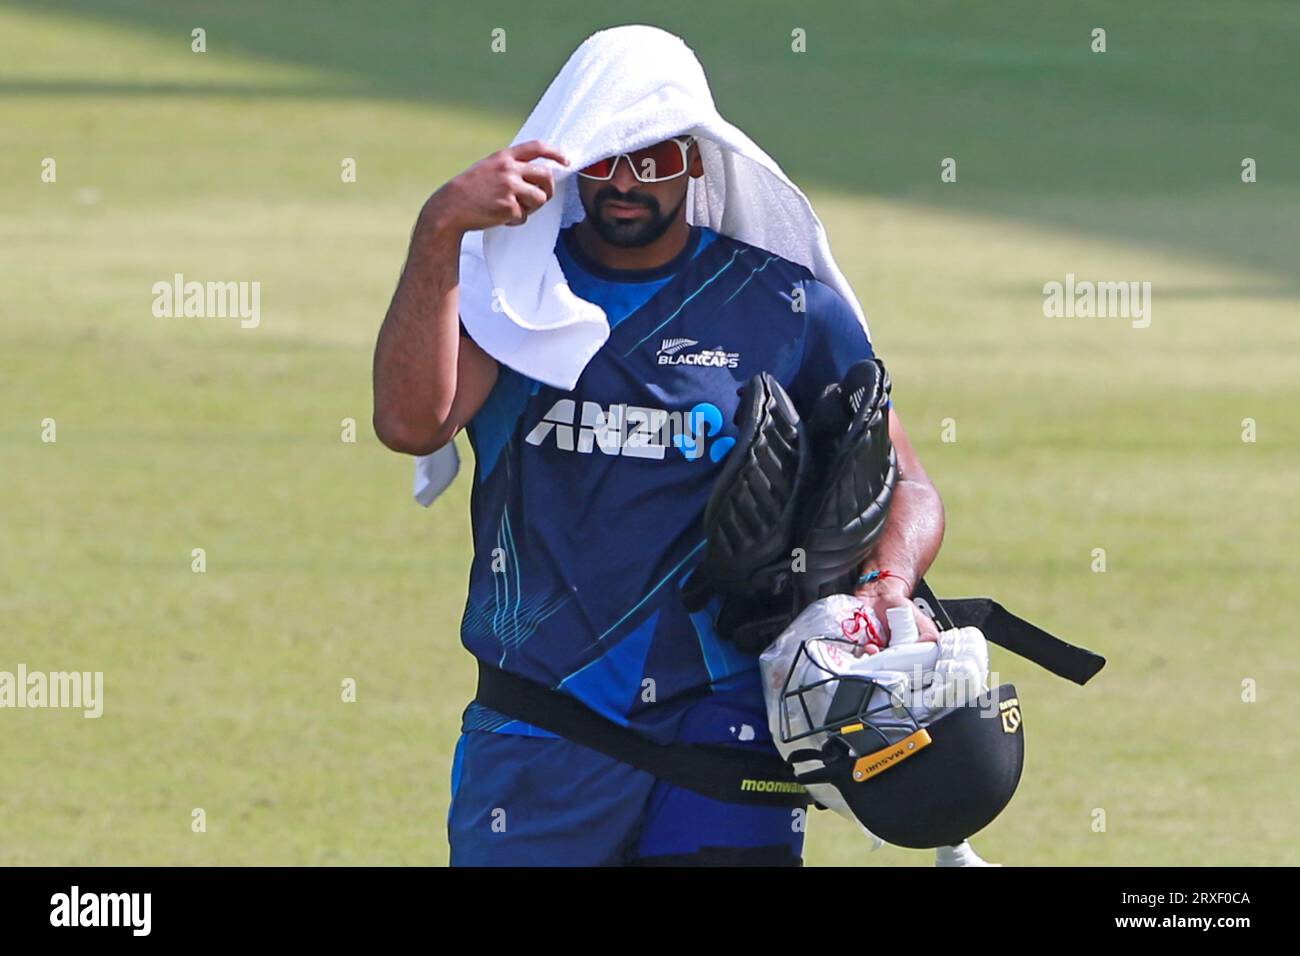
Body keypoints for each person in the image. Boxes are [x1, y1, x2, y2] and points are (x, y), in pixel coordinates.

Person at [372, 134, 946, 866]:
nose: (626, 182)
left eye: (654, 161)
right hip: (539, 731)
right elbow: (408, 424)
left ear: (698, 162)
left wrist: (886, 585)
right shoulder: (513, 296)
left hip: (725, 726)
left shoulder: (785, 305)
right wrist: (439, 230)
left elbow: (911, 485)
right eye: (607, 160)